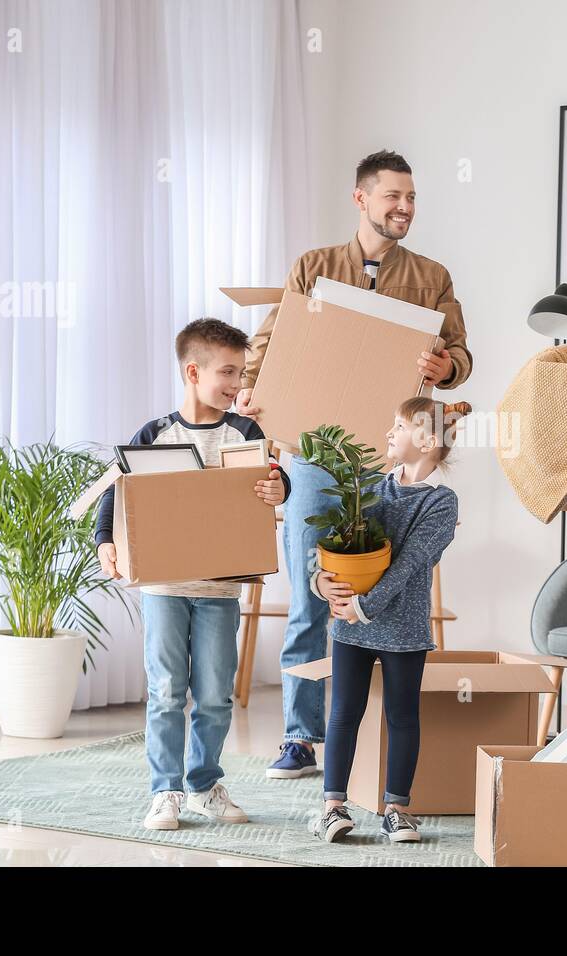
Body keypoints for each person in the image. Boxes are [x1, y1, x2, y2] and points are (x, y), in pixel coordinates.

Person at [234, 149, 473, 780]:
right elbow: (274, 338)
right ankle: (302, 736)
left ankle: (367, 743)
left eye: (413, 198)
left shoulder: (432, 275)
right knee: (316, 592)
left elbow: (460, 356)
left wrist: (446, 368)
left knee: (390, 591)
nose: (405, 208)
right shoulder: (315, 267)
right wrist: (254, 392)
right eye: (393, 196)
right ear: (361, 199)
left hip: (391, 455)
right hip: (315, 450)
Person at [96, 318, 290, 831]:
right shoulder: (154, 435)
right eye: (228, 372)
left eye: (241, 373)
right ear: (192, 371)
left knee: (212, 693)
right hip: (164, 588)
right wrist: (106, 542)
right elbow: (118, 495)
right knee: (165, 690)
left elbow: (273, 478)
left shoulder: (245, 432)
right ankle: (165, 791)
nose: (236, 384)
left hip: (222, 588)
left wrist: (280, 489)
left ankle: (204, 784)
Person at [308, 398, 468, 844]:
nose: (388, 433)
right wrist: (321, 582)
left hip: (401, 627)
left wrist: (367, 606)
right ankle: (332, 807)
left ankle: (397, 809)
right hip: (349, 622)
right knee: (343, 713)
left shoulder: (441, 502)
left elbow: (412, 562)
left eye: (399, 426)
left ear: (428, 441)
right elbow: (329, 545)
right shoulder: (366, 487)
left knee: (402, 715)